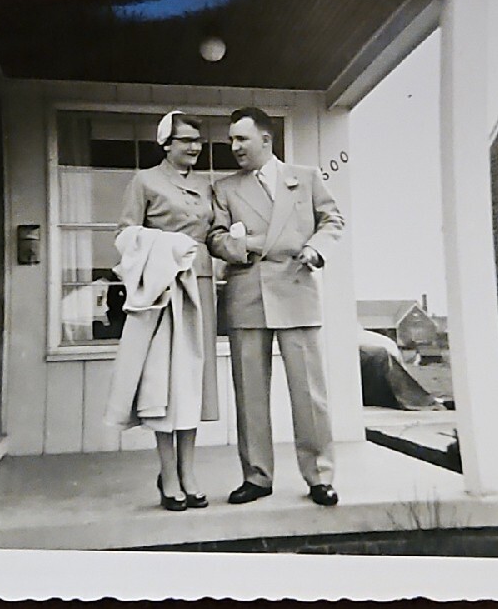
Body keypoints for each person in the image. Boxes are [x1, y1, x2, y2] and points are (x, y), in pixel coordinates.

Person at [208, 107, 344, 507]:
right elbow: (215, 237)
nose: (234, 147)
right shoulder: (225, 188)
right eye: (231, 139)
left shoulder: (305, 178)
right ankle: (256, 476)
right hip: (246, 293)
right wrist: (246, 245)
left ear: (265, 140)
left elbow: (332, 221)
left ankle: (320, 476)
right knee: (249, 393)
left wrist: (316, 250)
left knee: (309, 393)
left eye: (241, 139)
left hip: (296, 288)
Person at [103, 112, 219, 510]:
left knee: (191, 383)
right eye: (185, 140)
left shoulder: (207, 187)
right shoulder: (146, 181)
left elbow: (215, 235)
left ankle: (190, 472)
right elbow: (124, 235)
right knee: (163, 385)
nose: (194, 147)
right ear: (166, 143)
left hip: (199, 290)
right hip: (162, 290)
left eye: (198, 141)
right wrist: (166, 247)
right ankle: (168, 475)